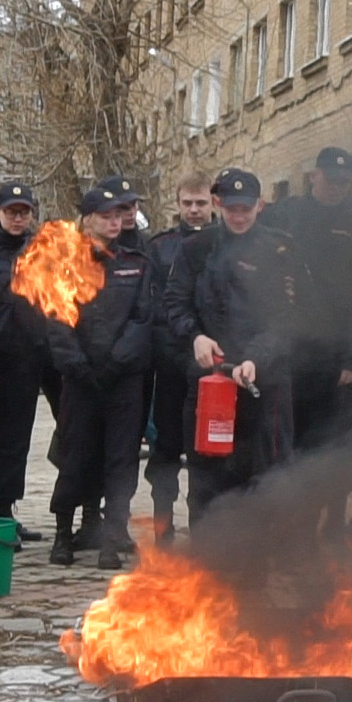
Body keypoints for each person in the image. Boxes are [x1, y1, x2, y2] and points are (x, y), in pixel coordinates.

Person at [163, 168, 299, 566]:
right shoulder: (196, 248)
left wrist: (256, 358)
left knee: (265, 474)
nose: (239, 217)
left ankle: (256, 563)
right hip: (210, 383)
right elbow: (175, 303)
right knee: (207, 472)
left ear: (259, 206)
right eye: (231, 209)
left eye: (246, 209)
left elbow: (289, 319)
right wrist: (195, 337)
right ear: (219, 205)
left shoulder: (280, 250)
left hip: (264, 382)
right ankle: (207, 562)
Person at [264, 146, 352, 539]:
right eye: (331, 180)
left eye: (344, 182)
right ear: (315, 176)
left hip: (332, 352)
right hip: (287, 347)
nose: (337, 188)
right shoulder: (287, 214)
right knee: (282, 441)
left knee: (323, 444)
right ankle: (279, 525)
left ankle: (318, 528)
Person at [46, 184, 156, 569]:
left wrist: (117, 361)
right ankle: (63, 533)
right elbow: (57, 321)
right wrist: (78, 366)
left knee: (121, 459)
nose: (114, 222)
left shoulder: (136, 262)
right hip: (81, 379)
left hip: (123, 378)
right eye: (106, 216)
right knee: (75, 455)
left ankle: (112, 537)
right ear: (88, 219)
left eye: (119, 215)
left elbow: (143, 317)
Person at [0, 182, 49, 542]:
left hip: (26, 355)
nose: (18, 218)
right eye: (11, 212)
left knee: (15, 440)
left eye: (24, 212)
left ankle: (3, 509)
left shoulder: (40, 248)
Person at [142, 173, 217, 544]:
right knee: (166, 447)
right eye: (187, 203)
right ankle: (162, 527)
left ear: (213, 203)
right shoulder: (161, 247)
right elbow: (154, 303)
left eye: (201, 203)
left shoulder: (223, 243)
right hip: (171, 361)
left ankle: (205, 527)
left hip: (214, 362)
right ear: (177, 203)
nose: (194, 210)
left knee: (209, 447)